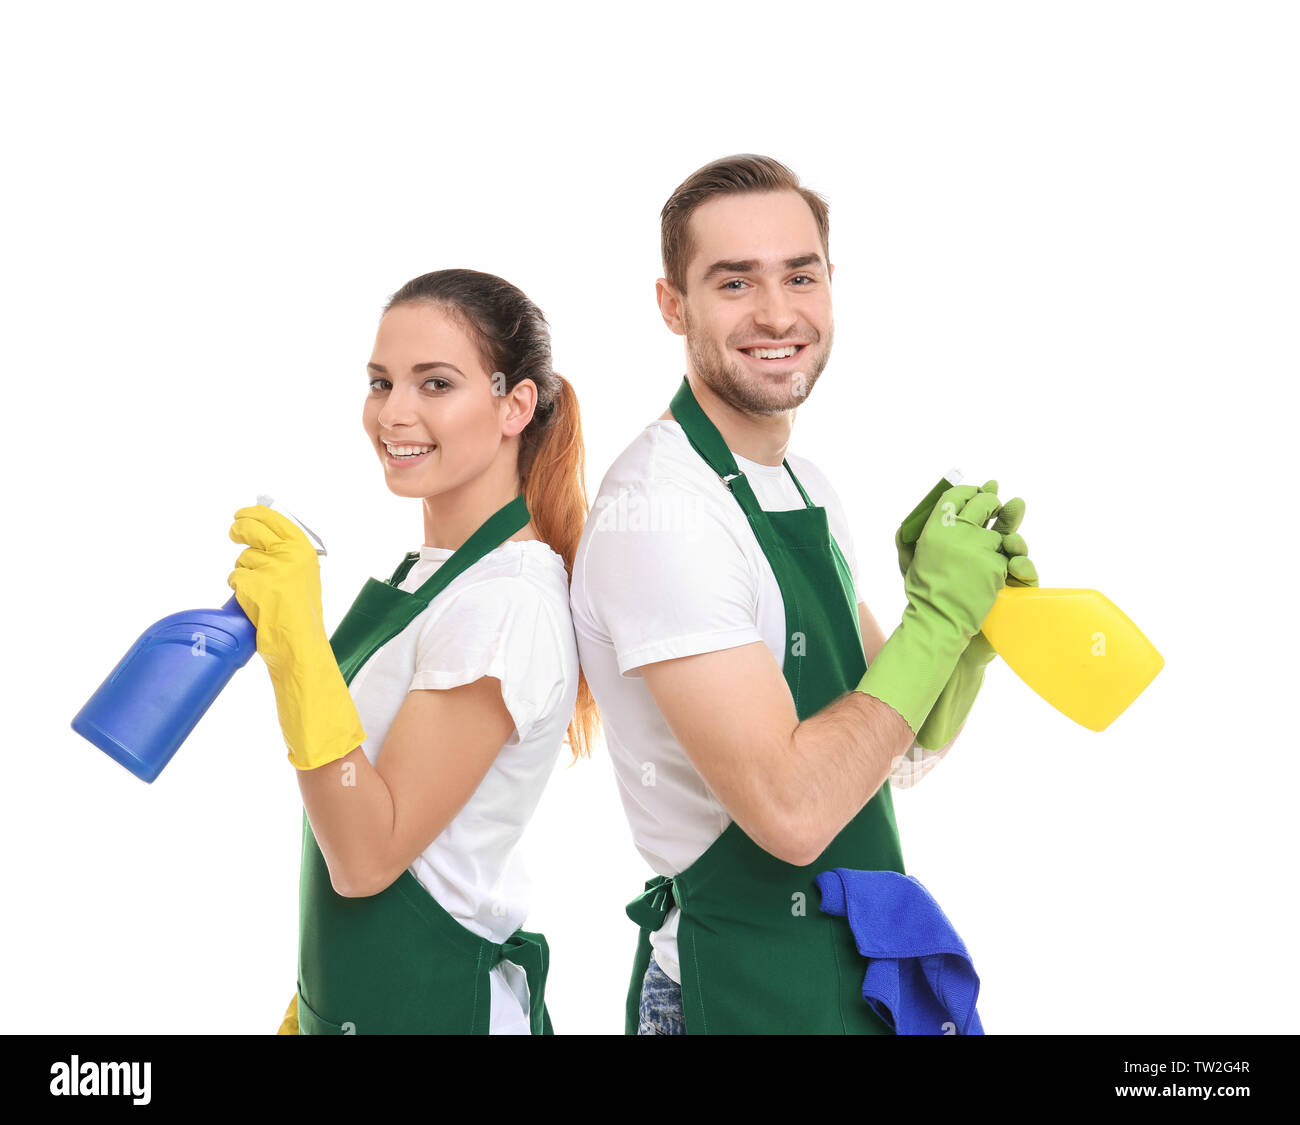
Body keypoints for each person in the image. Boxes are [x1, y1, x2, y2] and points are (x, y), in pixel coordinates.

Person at [569, 155, 1036, 1034]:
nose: (777, 313)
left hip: (844, 984)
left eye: (800, 275)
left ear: (831, 285)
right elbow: (792, 810)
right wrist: (933, 620)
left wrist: (970, 634)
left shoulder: (804, 485)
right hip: (733, 994)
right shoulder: (660, 512)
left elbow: (893, 756)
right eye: (735, 281)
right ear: (673, 305)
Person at [227, 268, 597, 1034]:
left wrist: (297, 642)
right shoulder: (429, 575)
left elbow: (368, 856)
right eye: (380, 382)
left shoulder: (506, 601)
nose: (394, 413)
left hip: (440, 1010)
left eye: (435, 384)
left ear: (513, 405)